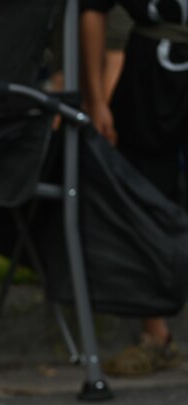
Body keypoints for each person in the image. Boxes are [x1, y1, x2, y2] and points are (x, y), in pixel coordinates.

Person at [81, 1, 182, 376]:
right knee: (145, 198)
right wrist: (97, 99)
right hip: (149, 73)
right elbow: (94, 12)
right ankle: (156, 336)